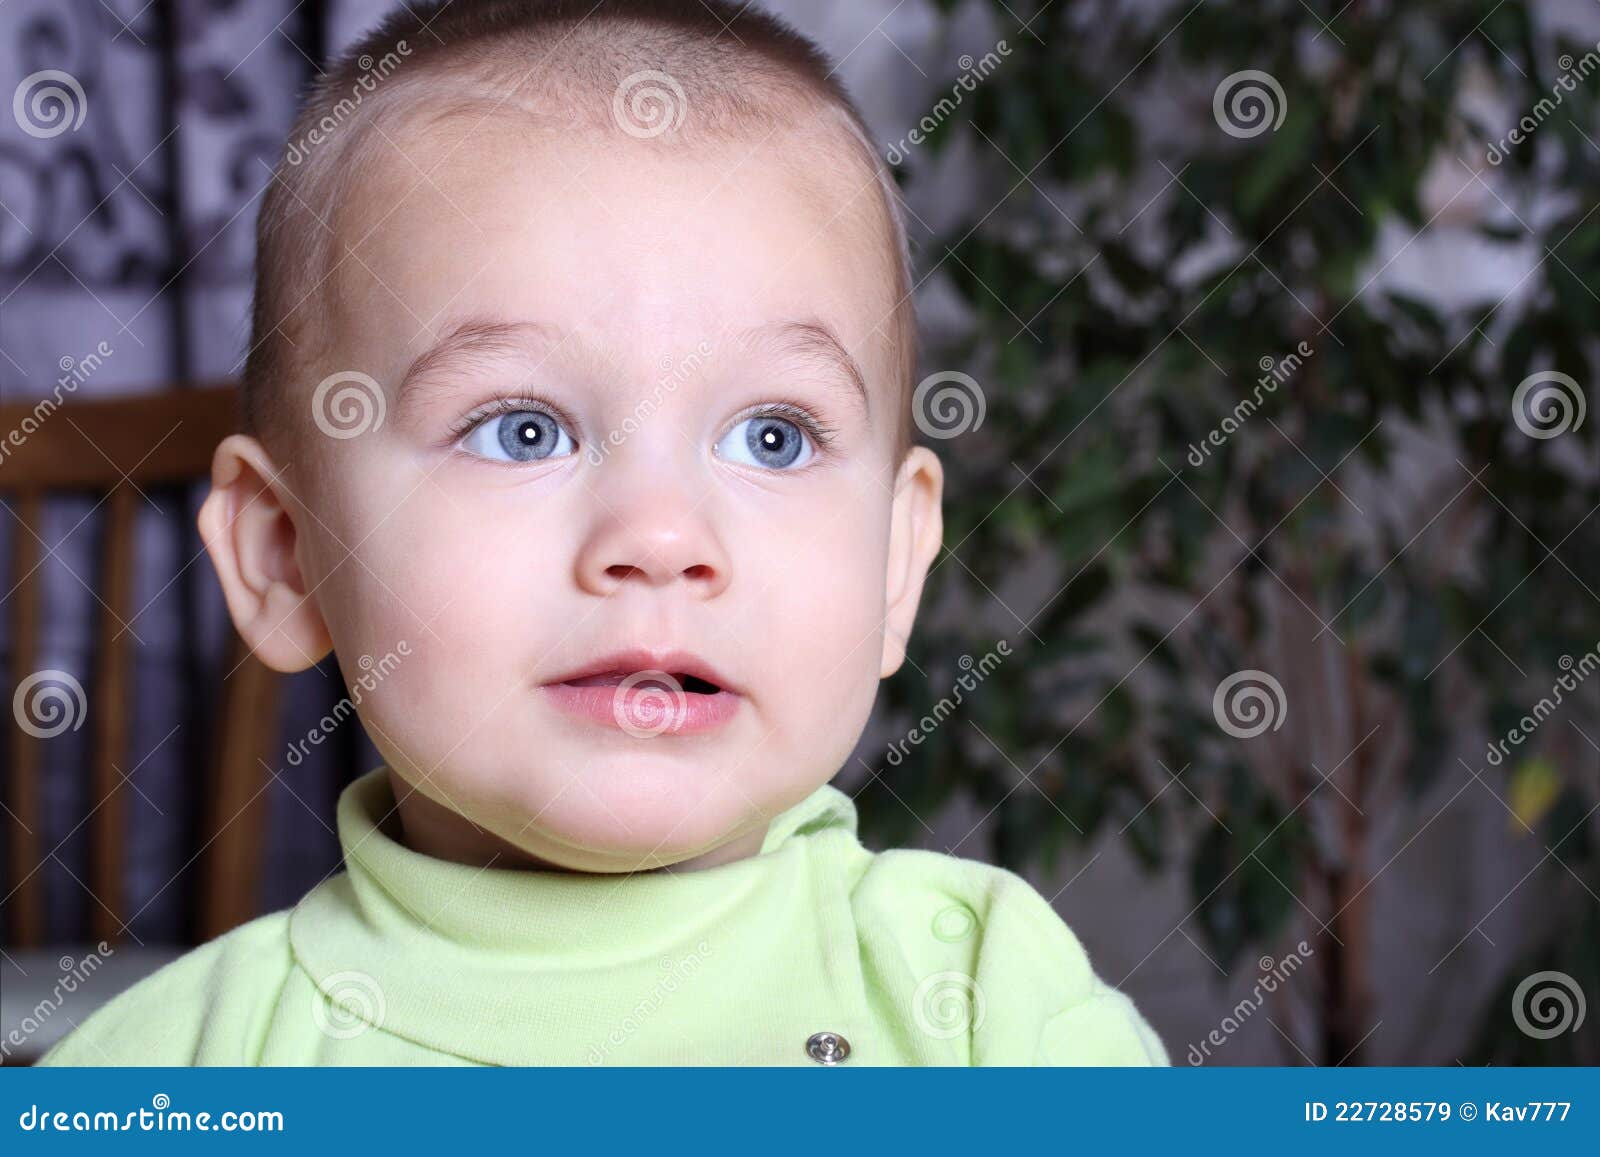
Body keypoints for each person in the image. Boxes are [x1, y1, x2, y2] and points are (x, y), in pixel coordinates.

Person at [39, 0, 1168, 1066]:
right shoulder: (179, 1066)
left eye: (773, 437)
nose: (662, 536)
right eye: (522, 430)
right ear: (285, 554)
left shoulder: (994, 1013)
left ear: (894, 560)